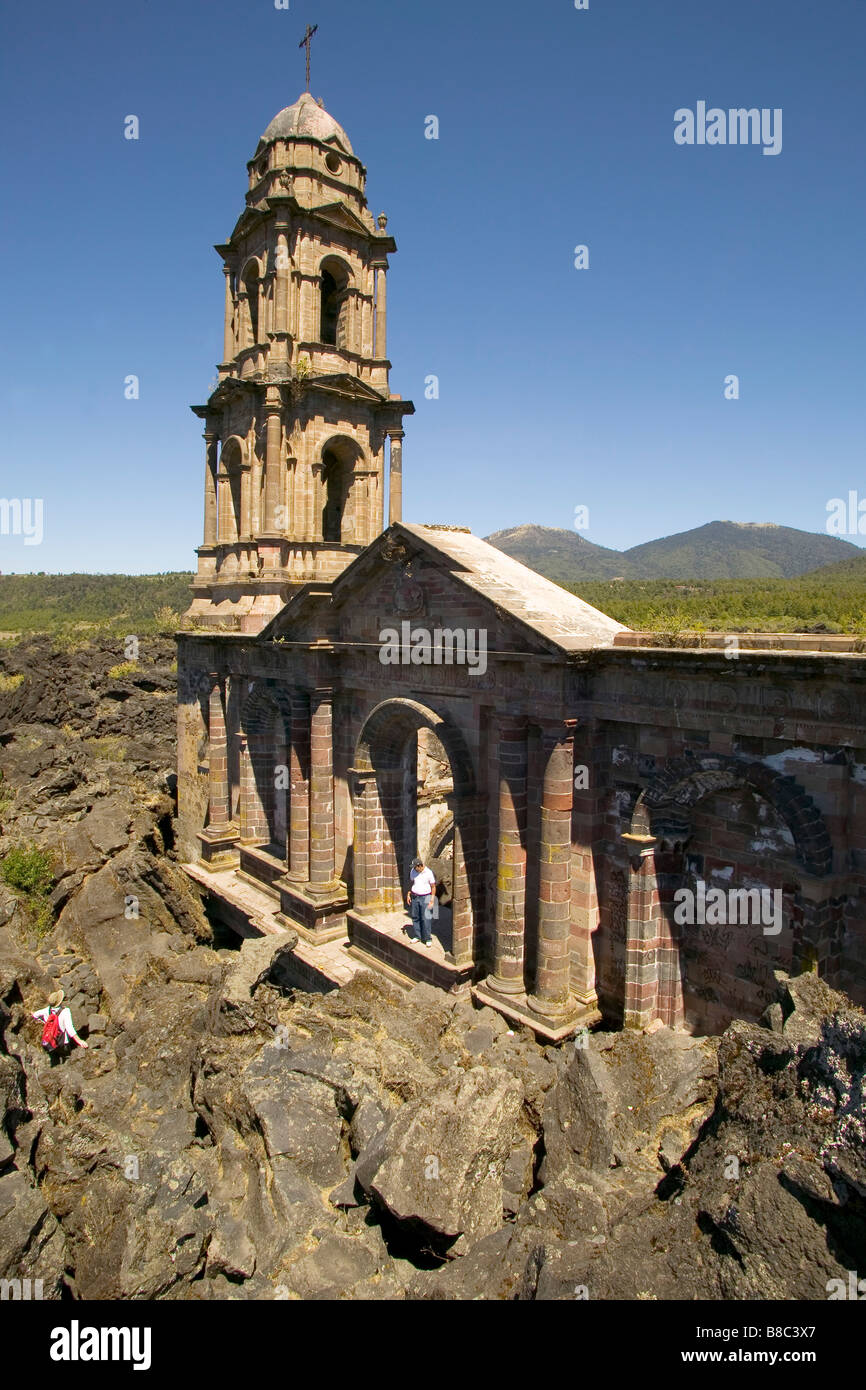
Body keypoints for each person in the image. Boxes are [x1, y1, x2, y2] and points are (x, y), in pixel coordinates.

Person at [32, 988, 88, 1062]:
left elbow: (35, 1015)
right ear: (60, 1001)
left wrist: (44, 1022)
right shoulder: (65, 1011)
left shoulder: (47, 1010)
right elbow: (70, 1029)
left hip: (52, 1041)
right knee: (68, 1058)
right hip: (63, 1042)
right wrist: (80, 1041)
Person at [406, 855, 437, 947]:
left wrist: (432, 899)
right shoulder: (413, 871)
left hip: (425, 897)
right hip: (415, 896)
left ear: (420, 866)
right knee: (415, 916)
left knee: (426, 918)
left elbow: (433, 886)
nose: (414, 869)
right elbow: (411, 882)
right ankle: (417, 936)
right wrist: (408, 894)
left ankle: (427, 938)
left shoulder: (429, 873)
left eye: (415, 867)